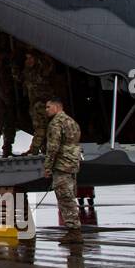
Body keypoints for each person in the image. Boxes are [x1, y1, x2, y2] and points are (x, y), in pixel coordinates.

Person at [42, 98, 84, 244]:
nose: (46, 110)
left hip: (61, 166)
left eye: (48, 107)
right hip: (72, 164)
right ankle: (74, 230)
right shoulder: (72, 122)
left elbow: (52, 147)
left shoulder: (56, 123)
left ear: (56, 107)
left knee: (65, 199)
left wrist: (47, 167)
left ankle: (74, 231)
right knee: (70, 196)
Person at [20, 51, 58, 156]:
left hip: (42, 103)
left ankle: (34, 149)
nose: (28, 61)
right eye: (27, 58)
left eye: (30, 58)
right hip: (35, 103)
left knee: (41, 127)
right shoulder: (28, 72)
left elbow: (48, 69)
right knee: (42, 127)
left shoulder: (41, 71)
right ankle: (44, 148)